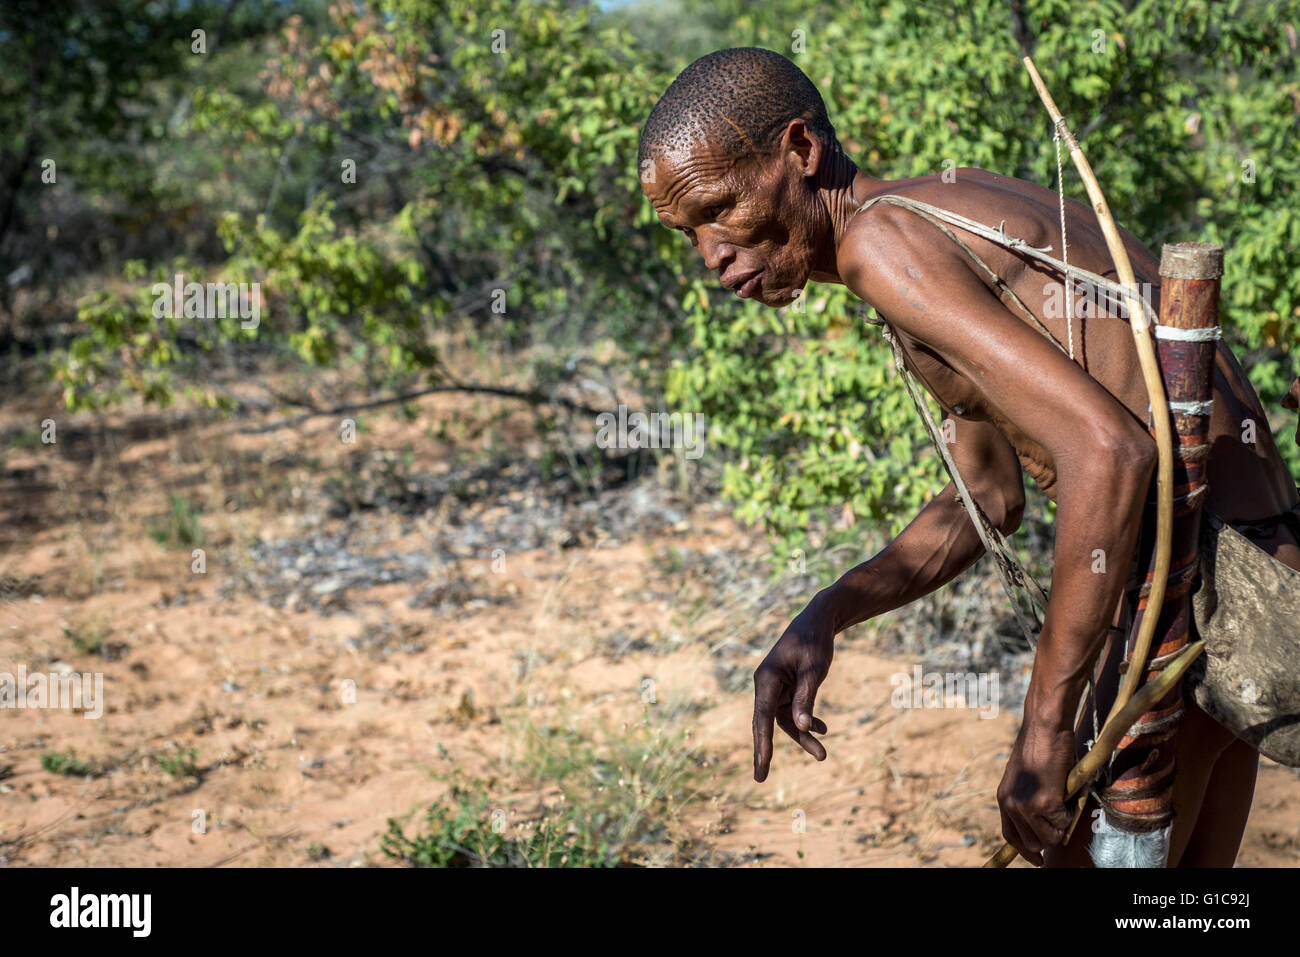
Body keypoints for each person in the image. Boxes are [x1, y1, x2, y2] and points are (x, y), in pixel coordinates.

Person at [638, 47, 1300, 866]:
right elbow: (986, 497)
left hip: (1197, 594)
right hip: (1254, 568)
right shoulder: (930, 213)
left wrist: (1045, 723)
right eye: (689, 232)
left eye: (719, 209)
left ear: (800, 152)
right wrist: (828, 611)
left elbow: (1109, 453)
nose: (711, 254)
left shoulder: (884, 246)